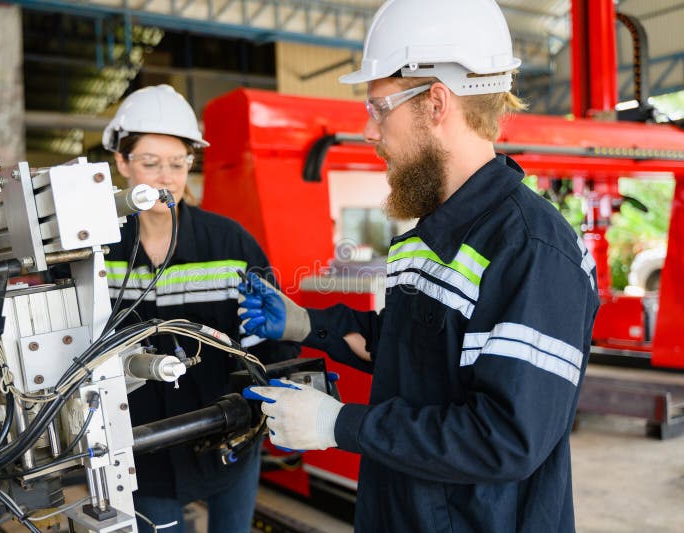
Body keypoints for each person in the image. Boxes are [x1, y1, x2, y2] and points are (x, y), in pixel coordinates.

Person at [239, 0, 600, 531]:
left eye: (379, 108)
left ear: (436, 102)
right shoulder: (423, 237)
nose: (369, 130)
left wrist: (340, 424)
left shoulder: (534, 251)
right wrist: (306, 324)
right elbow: (404, 349)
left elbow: (505, 439)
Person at [102, 84, 297, 533]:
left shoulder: (230, 243)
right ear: (122, 162)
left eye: (178, 163)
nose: (165, 178)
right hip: (141, 450)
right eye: (150, 163)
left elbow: (273, 337)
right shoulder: (98, 251)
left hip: (229, 436)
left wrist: (278, 400)